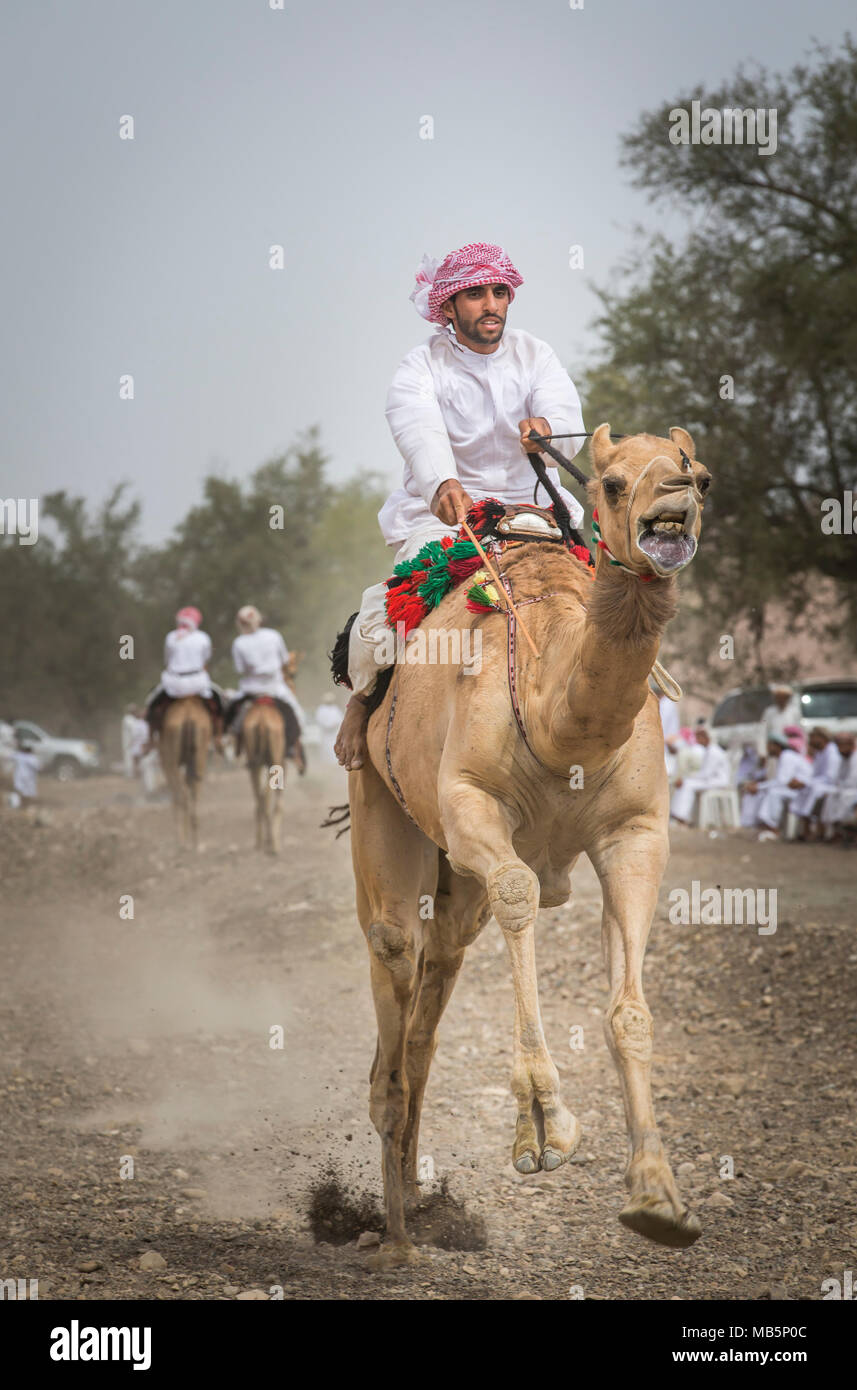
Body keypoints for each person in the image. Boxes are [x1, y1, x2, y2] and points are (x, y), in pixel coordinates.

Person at [335, 241, 587, 771]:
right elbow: (416, 425)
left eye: (499, 292)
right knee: (391, 612)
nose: (490, 304)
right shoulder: (420, 366)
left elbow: (561, 407)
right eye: (475, 294)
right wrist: (442, 481)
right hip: (449, 517)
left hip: (536, 513)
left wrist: (547, 432)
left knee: (607, 599)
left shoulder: (534, 354)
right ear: (447, 306)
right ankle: (363, 701)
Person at [226, 606, 306, 772]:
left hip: (250, 691)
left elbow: (240, 669)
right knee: (297, 716)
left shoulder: (238, 643)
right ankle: (295, 751)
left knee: (231, 715)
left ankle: (235, 749)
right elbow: (284, 659)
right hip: (275, 688)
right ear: (258, 620)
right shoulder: (273, 635)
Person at [145, 607, 224, 745]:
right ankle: (218, 737)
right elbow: (206, 659)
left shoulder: (171, 636)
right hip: (198, 682)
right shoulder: (203, 637)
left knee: (151, 704)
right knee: (220, 703)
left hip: (173, 683)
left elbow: (167, 660)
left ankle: (151, 740)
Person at [740, 733, 812, 839]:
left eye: (769, 745)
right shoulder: (782, 757)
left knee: (773, 793)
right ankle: (760, 825)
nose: (767, 748)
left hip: (802, 790)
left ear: (776, 746)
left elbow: (782, 781)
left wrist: (759, 787)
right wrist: (758, 786)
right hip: (792, 788)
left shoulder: (787, 756)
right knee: (762, 792)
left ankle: (773, 828)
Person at [669, 726, 731, 825]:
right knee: (686, 783)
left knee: (687, 784)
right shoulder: (708, 750)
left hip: (718, 781)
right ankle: (677, 814)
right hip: (710, 780)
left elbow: (706, 774)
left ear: (705, 738)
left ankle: (680, 816)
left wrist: (685, 778)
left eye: (698, 738)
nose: (697, 741)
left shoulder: (714, 752)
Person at [792, 727, 841, 840]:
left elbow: (830, 777)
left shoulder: (832, 752)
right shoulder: (819, 753)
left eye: (813, 737)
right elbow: (814, 775)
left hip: (832, 786)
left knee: (814, 790)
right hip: (819, 785)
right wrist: (802, 782)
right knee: (805, 790)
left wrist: (805, 782)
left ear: (822, 738)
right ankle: (807, 830)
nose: (810, 740)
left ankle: (818, 831)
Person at [820, 732, 857, 840]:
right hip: (845, 790)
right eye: (839, 746)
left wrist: (841, 787)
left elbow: (853, 780)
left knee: (846, 797)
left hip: (853, 791)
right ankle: (837, 832)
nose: (841, 749)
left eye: (844, 745)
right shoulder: (843, 759)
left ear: (851, 745)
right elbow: (838, 778)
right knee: (831, 797)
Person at [759, 683, 801, 757]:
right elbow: (762, 731)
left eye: (783, 697)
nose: (781, 699)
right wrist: (762, 752)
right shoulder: (769, 712)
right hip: (773, 750)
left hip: (790, 749)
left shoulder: (794, 712)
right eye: (779, 697)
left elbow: (799, 732)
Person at [315, 693, 342, 766]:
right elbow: (319, 720)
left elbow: (339, 720)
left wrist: (334, 726)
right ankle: (325, 763)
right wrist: (327, 726)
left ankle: (334, 763)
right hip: (325, 733)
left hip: (333, 733)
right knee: (325, 748)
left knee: (333, 747)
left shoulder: (335, 709)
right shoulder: (321, 709)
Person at [12, 737, 40, 806]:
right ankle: (25, 805)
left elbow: (9, 757)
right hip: (29, 778)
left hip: (19, 776)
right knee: (28, 793)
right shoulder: (33, 758)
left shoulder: (19, 755)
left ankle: (17, 804)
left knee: (19, 790)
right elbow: (38, 767)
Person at [659, 693, 681, 778]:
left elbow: (663, 724)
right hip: (667, 739)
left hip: (667, 740)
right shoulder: (665, 703)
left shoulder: (666, 704)